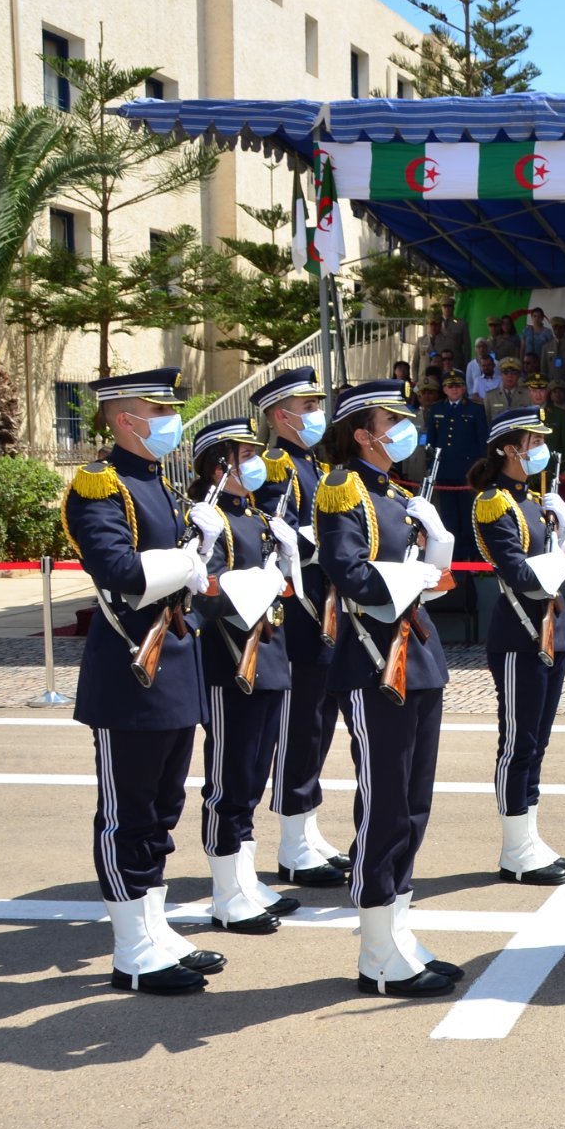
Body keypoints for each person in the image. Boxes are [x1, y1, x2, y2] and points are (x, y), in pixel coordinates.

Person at [64, 368, 220, 994]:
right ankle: (130, 947)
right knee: (125, 813)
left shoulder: (159, 486)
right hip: (131, 666)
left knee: (161, 809)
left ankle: (153, 929)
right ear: (126, 419)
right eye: (158, 411)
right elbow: (119, 570)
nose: (168, 422)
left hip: (176, 663)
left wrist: (199, 562)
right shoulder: (100, 487)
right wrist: (188, 560)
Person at [316, 379, 458, 997]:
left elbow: (430, 580)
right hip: (375, 661)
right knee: (384, 806)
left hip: (417, 655)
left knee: (415, 803)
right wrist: (417, 569)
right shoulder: (342, 490)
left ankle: (397, 931)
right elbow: (347, 573)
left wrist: (439, 546)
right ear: (361, 434)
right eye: (391, 421)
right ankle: (376, 949)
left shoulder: (397, 496)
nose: (403, 430)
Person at [180, 417, 304, 940]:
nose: (255, 464)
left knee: (254, 777)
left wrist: (288, 558)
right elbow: (198, 595)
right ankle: (226, 891)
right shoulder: (208, 522)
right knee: (228, 781)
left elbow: (290, 592)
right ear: (218, 467)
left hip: (269, 659)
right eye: (243, 456)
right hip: (230, 663)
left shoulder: (255, 520)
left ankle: (247, 878)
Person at [250, 367, 352, 887]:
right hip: (297, 613)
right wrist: (321, 540)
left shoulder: (310, 463)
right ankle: (292, 844)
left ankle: (307, 830)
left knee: (317, 724)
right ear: (279, 415)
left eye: (317, 403)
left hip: (324, 610)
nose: (316, 413)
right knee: (298, 728)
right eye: (306, 406)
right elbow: (271, 528)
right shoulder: (273, 465)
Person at [469, 405, 565, 886]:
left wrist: (563, 532)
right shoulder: (494, 502)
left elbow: (545, 571)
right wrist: (564, 556)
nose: (539, 450)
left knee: (538, 742)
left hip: (552, 630)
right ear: (508, 449)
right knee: (518, 742)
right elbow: (520, 575)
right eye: (532, 442)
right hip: (519, 634)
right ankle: (515, 848)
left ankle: (529, 838)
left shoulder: (534, 502)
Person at [424, 370, 488, 541]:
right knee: (448, 516)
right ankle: (453, 556)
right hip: (444, 470)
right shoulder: (437, 408)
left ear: (464, 388)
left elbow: (482, 441)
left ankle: (468, 558)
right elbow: (431, 441)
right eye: (450, 386)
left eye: (458, 386)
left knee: (468, 516)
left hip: (467, 471)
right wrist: (430, 467)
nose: (454, 389)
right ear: (444, 389)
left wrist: (482, 469)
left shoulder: (475, 409)